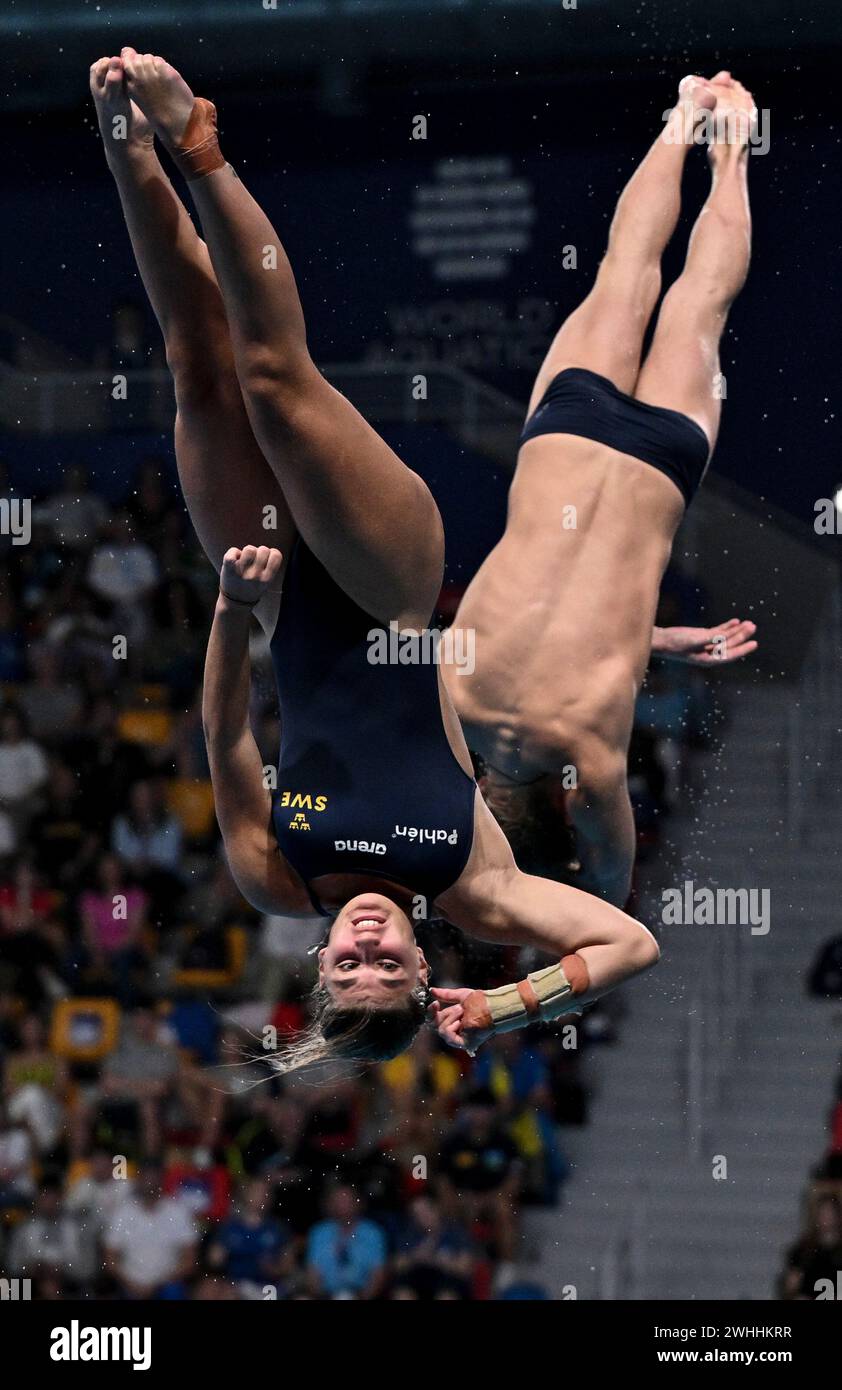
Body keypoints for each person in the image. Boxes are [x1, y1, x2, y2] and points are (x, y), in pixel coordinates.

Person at [89, 49, 662, 1071]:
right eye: (386, 966)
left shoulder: (279, 875)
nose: (364, 948)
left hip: (267, 597)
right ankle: (197, 140)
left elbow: (223, 736)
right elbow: (627, 940)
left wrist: (228, 607)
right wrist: (502, 1010)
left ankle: (125, 138)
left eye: (345, 971)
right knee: (270, 377)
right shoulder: (472, 882)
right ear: (420, 962)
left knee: (197, 367)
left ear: (315, 967)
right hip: (388, 580)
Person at [445, 73, 758, 906]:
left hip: (658, 463)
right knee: (626, 270)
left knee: (699, 305)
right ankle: (685, 115)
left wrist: (653, 641)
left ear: (564, 807)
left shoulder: (596, 751)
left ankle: (732, 152)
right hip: (567, 436)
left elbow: (613, 894)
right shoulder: (452, 691)